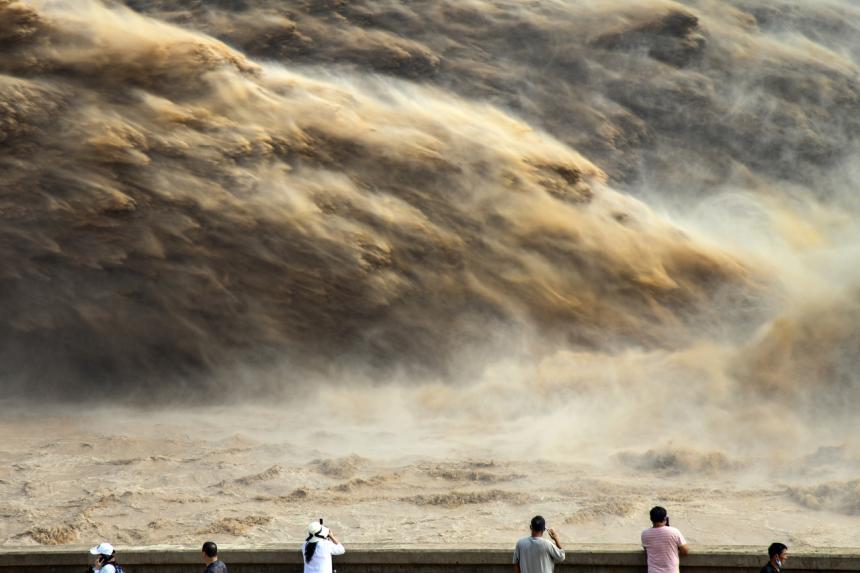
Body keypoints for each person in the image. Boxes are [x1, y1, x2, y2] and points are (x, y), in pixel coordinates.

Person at [641, 506, 688, 573]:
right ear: (665, 518)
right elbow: (685, 551)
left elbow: (647, 550)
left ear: (651, 519)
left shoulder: (645, 534)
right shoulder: (674, 531)